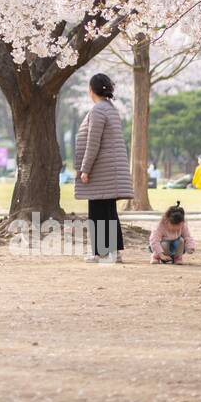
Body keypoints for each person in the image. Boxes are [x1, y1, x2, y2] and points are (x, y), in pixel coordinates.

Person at [75, 73, 133, 263]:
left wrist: (85, 169)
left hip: (102, 171)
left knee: (98, 211)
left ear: (91, 90)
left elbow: (93, 143)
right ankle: (114, 252)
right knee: (109, 211)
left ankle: (101, 253)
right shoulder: (111, 109)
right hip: (111, 170)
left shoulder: (98, 111)